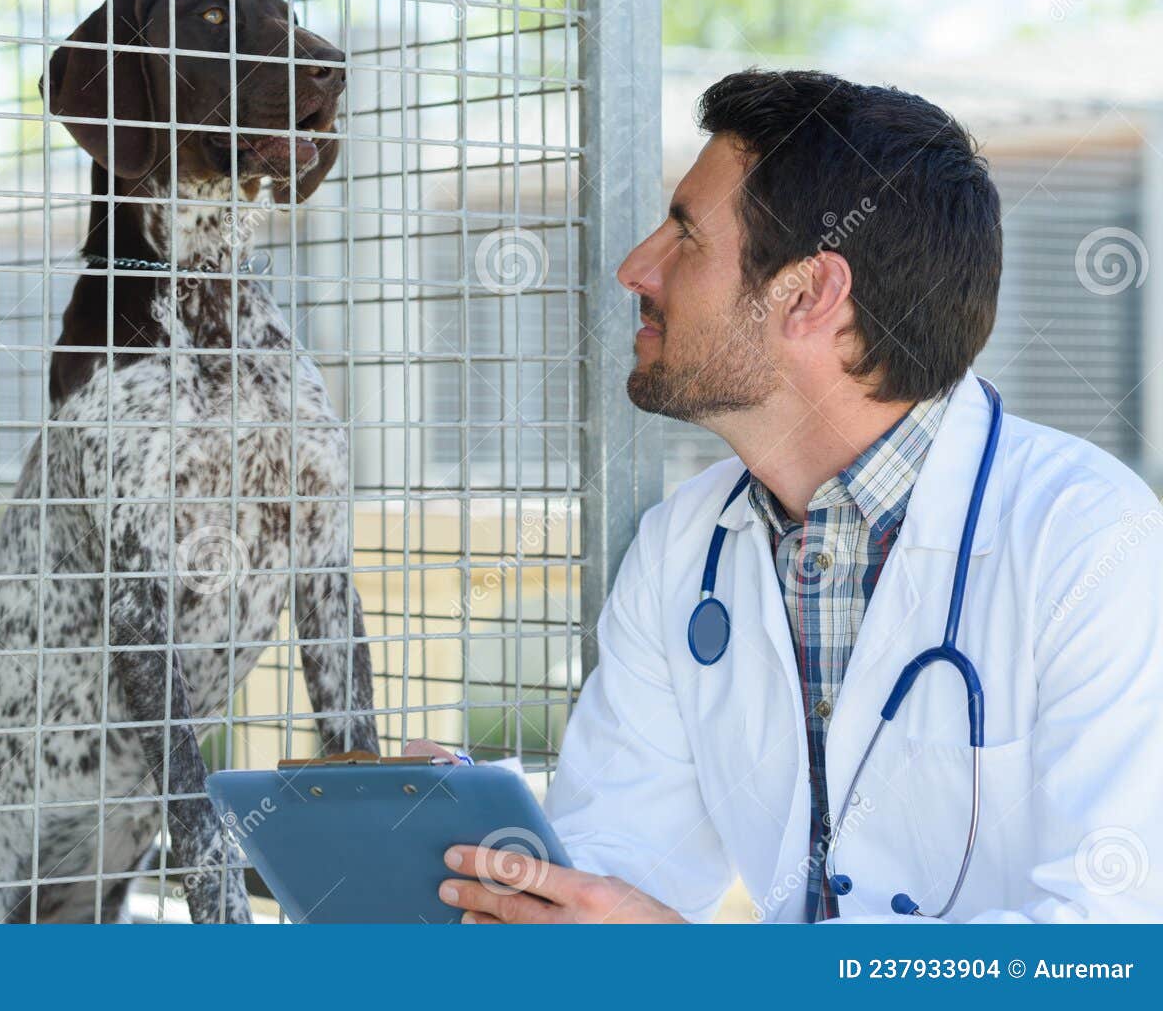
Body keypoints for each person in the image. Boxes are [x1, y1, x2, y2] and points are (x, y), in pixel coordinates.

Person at [427, 70, 1163, 923]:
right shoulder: (682, 545)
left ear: (810, 294)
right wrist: (497, 861)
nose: (635, 270)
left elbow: (1107, 948)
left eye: (684, 236)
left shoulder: (1094, 543)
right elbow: (627, 865)